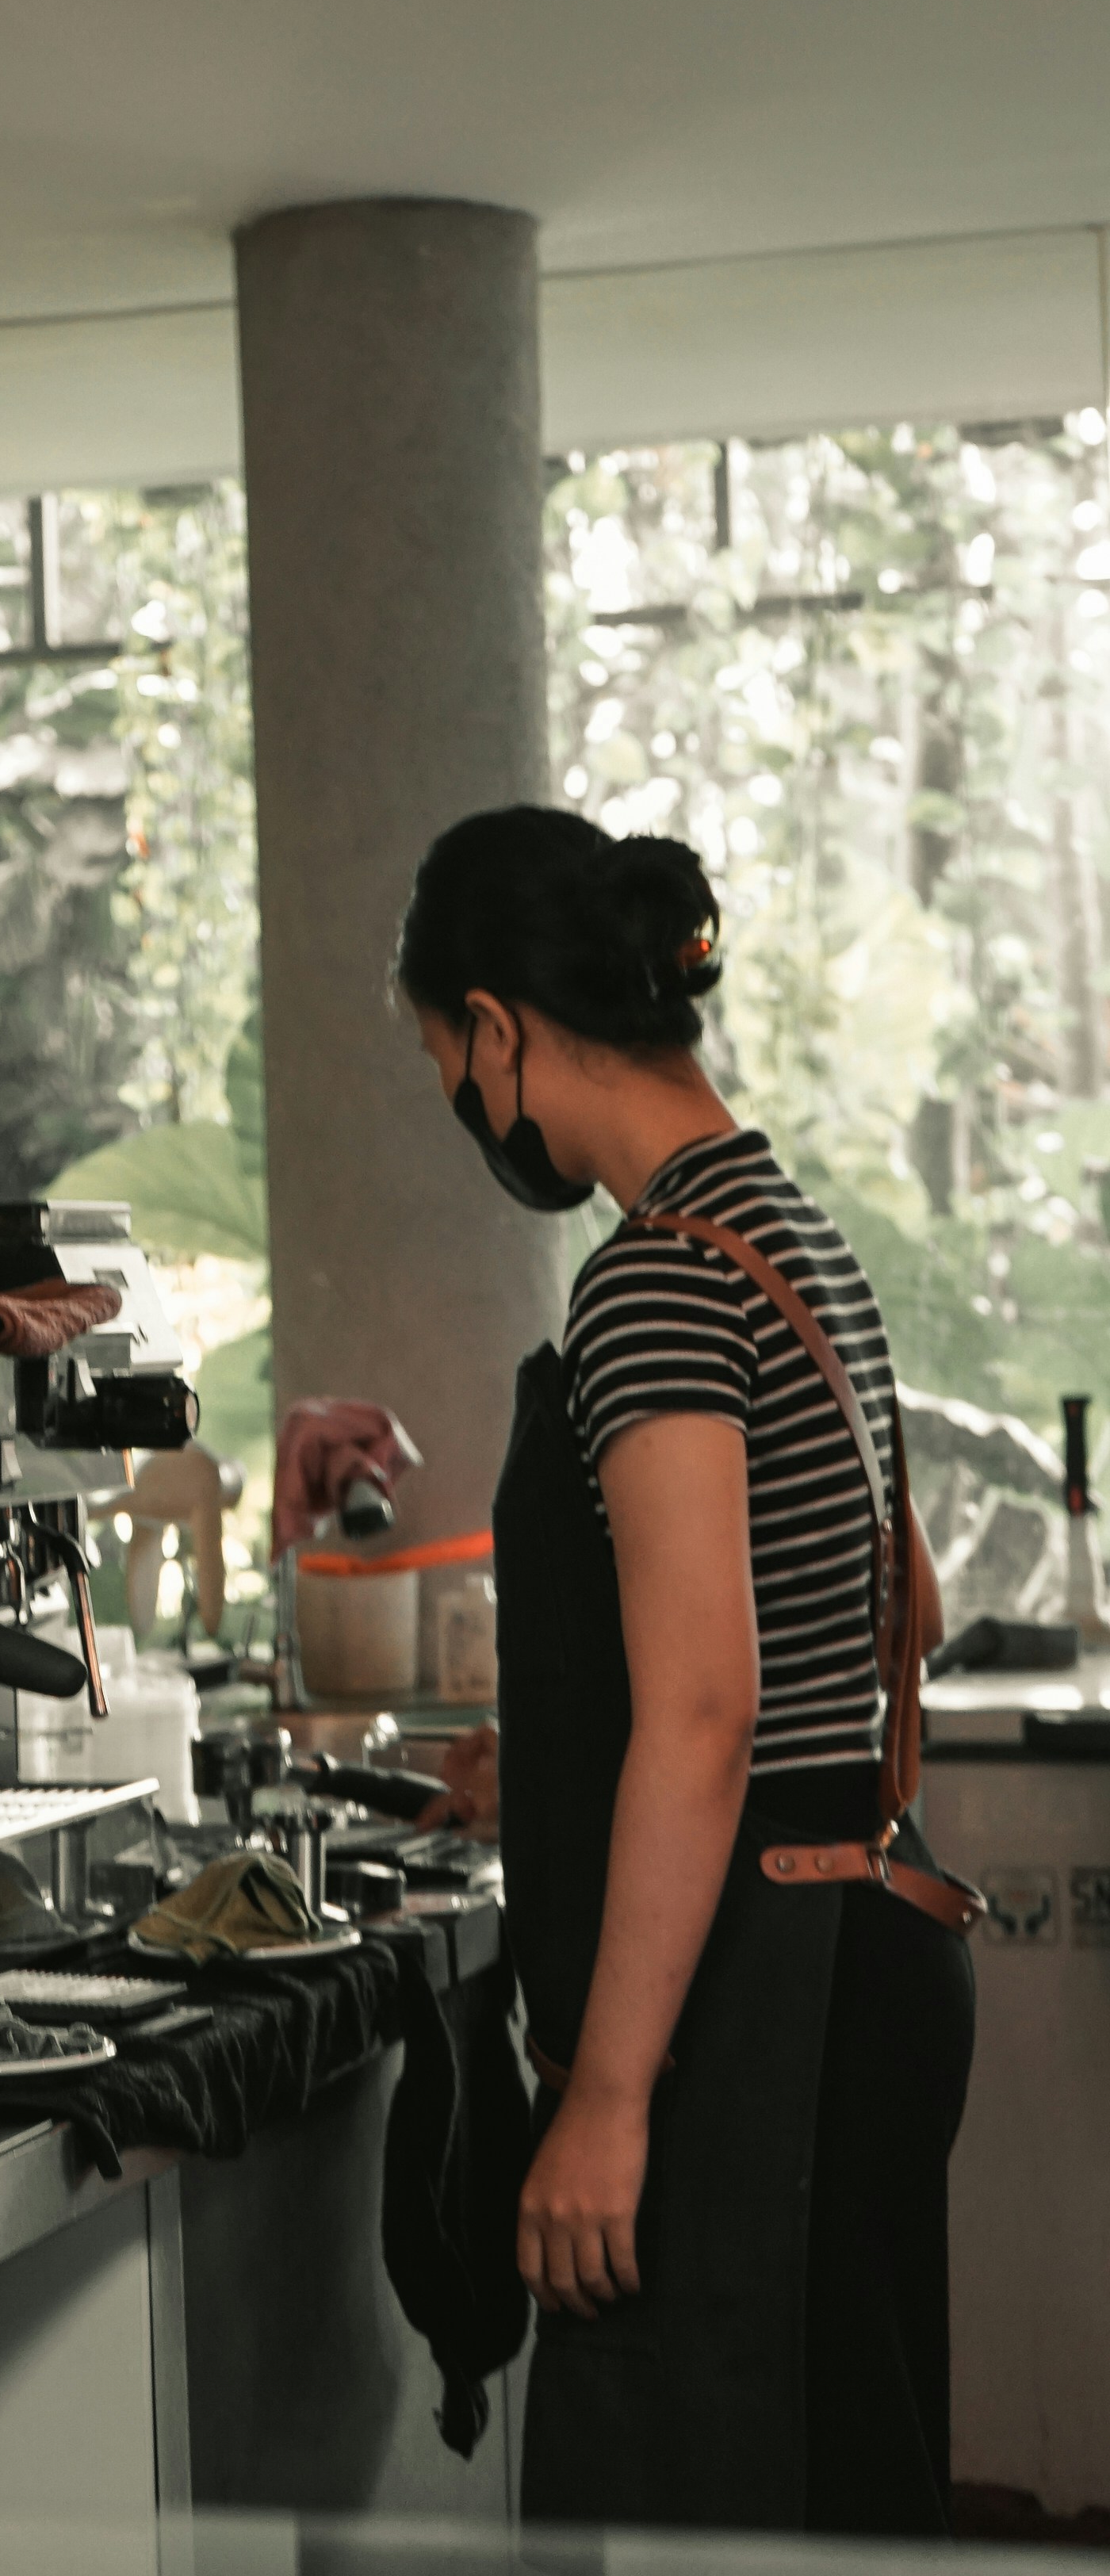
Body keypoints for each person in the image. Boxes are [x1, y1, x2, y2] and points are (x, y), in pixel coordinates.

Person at [396, 804, 976, 2537]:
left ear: (496, 1030)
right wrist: (553, 1762)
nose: (464, 1109)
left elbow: (710, 1714)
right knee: (842, 2495)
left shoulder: (652, 1281)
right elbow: (890, 1621)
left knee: (719, 2510)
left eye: (446, 1061)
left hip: (757, 2006)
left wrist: (605, 2100)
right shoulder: (784, 1232)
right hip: (862, 1943)